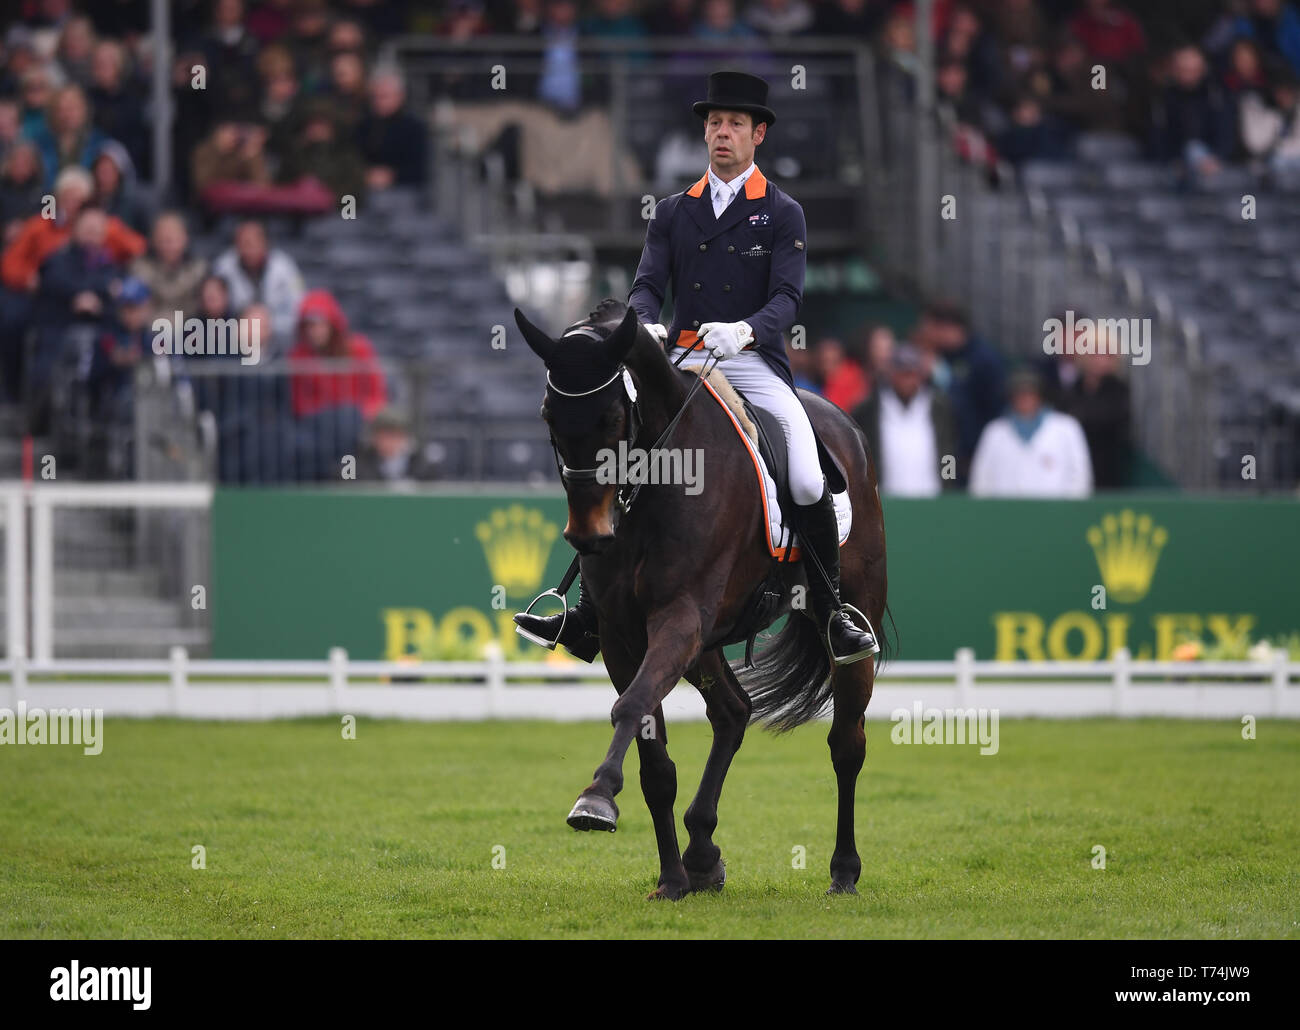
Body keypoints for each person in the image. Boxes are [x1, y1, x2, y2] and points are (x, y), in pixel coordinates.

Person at [516, 70, 878, 665]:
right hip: (682, 358)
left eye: (736, 124)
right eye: (714, 124)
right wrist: (646, 325)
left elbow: (787, 299)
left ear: (758, 134)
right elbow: (646, 286)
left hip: (750, 359)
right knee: (619, 454)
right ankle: (583, 611)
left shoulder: (783, 212)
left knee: (809, 474)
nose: (722, 134)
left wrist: (745, 330)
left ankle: (831, 607)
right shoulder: (673, 211)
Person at [969, 367, 1093, 497]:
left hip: (1056, 514)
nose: (1024, 399)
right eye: (1019, 394)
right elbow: (980, 481)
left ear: (1040, 395)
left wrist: (1068, 513)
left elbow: (1080, 479)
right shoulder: (994, 431)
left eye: (1030, 393)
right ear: (1011, 397)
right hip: (1004, 514)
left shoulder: (1067, 427)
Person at [851, 343, 957, 497]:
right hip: (886, 501)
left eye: (912, 373)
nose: (908, 380)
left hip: (932, 500)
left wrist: (948, 484)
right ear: (892, 373)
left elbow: (949, 453)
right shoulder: (869, 410)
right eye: (903, 373)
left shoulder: (940, 408)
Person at [211, 218, 304, 339]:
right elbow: (214, 307)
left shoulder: (285, 266)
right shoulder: (223, 267)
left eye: (253, 242)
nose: (248, 248)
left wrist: (267, 325)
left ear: (265, 243)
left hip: (278, 332)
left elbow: (299, 303)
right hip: (234, 334)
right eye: (243, 243)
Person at [129, 212, 209, 323]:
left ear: (185, 239)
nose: (169, 246)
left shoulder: (199, 269)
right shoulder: (139, 268)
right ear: (153, 240)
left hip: (191, 329)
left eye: (173, 240)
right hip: (152, 330)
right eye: (163, 241)